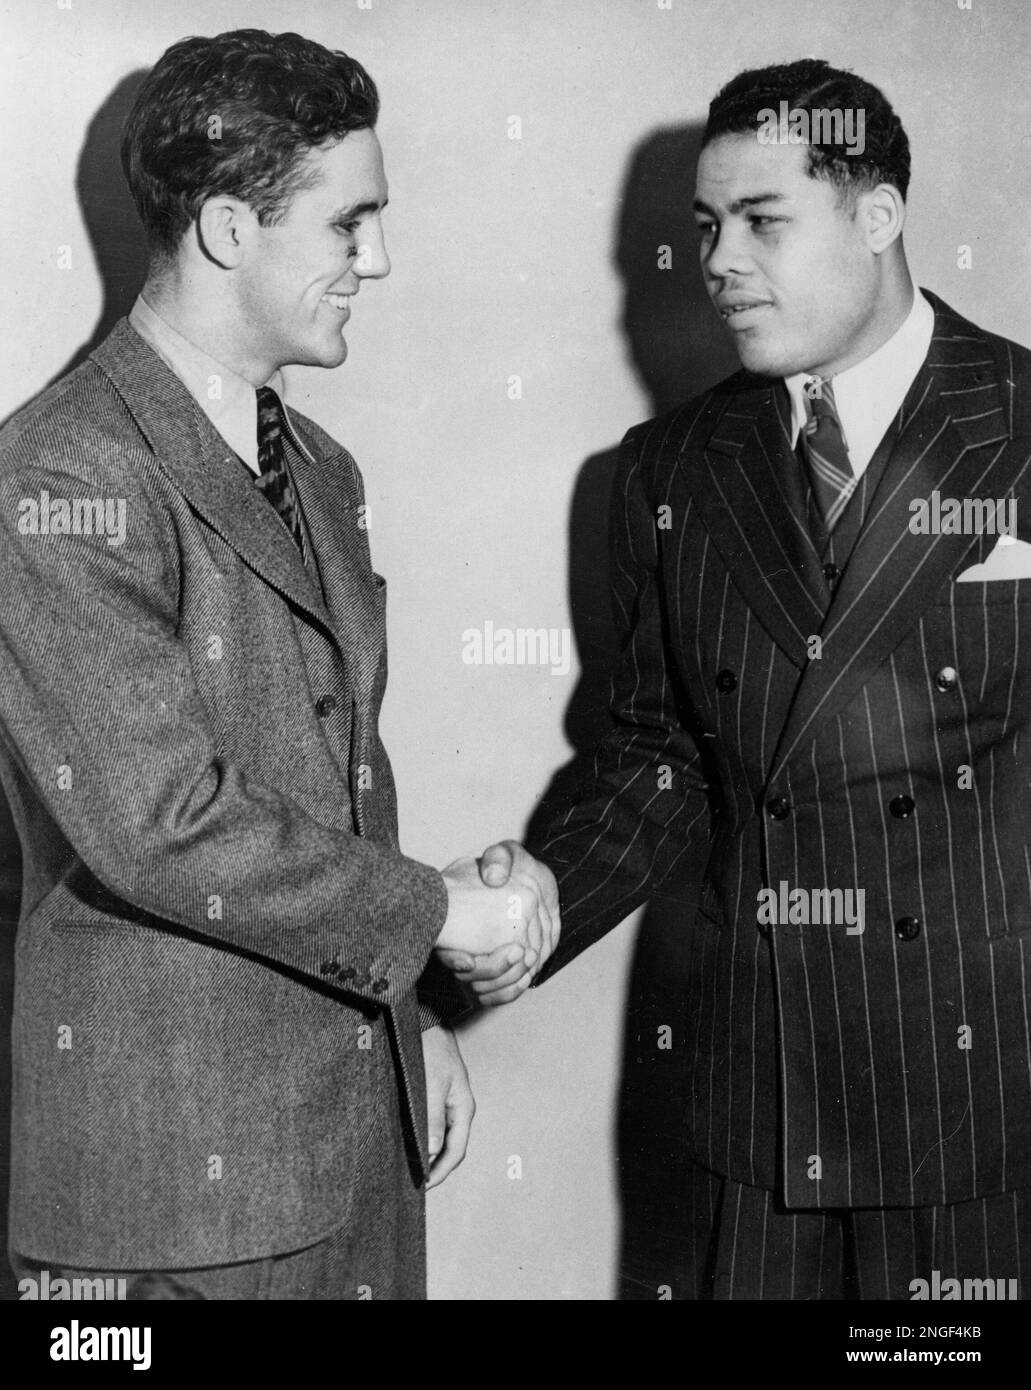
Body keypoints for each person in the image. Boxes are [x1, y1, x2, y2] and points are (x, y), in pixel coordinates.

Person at [0, 28, 558, 1301]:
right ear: (227, 230)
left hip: (347, 1152)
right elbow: (162, 819)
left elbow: (324, 789)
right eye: (349, 223)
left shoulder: (321, 470)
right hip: (165, 1215)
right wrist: (434, 917)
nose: (380, 259)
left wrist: (400, 1025)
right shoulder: (61, 476)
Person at [460, 57, 1031, 1299]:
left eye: (761, 221)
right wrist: (528, 905)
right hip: (764, 1104)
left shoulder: (1022, 422)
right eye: (706, 227)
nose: (716, 261)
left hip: (985, 1100)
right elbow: (658, 760)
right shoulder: (670, 465)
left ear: (876, 216)